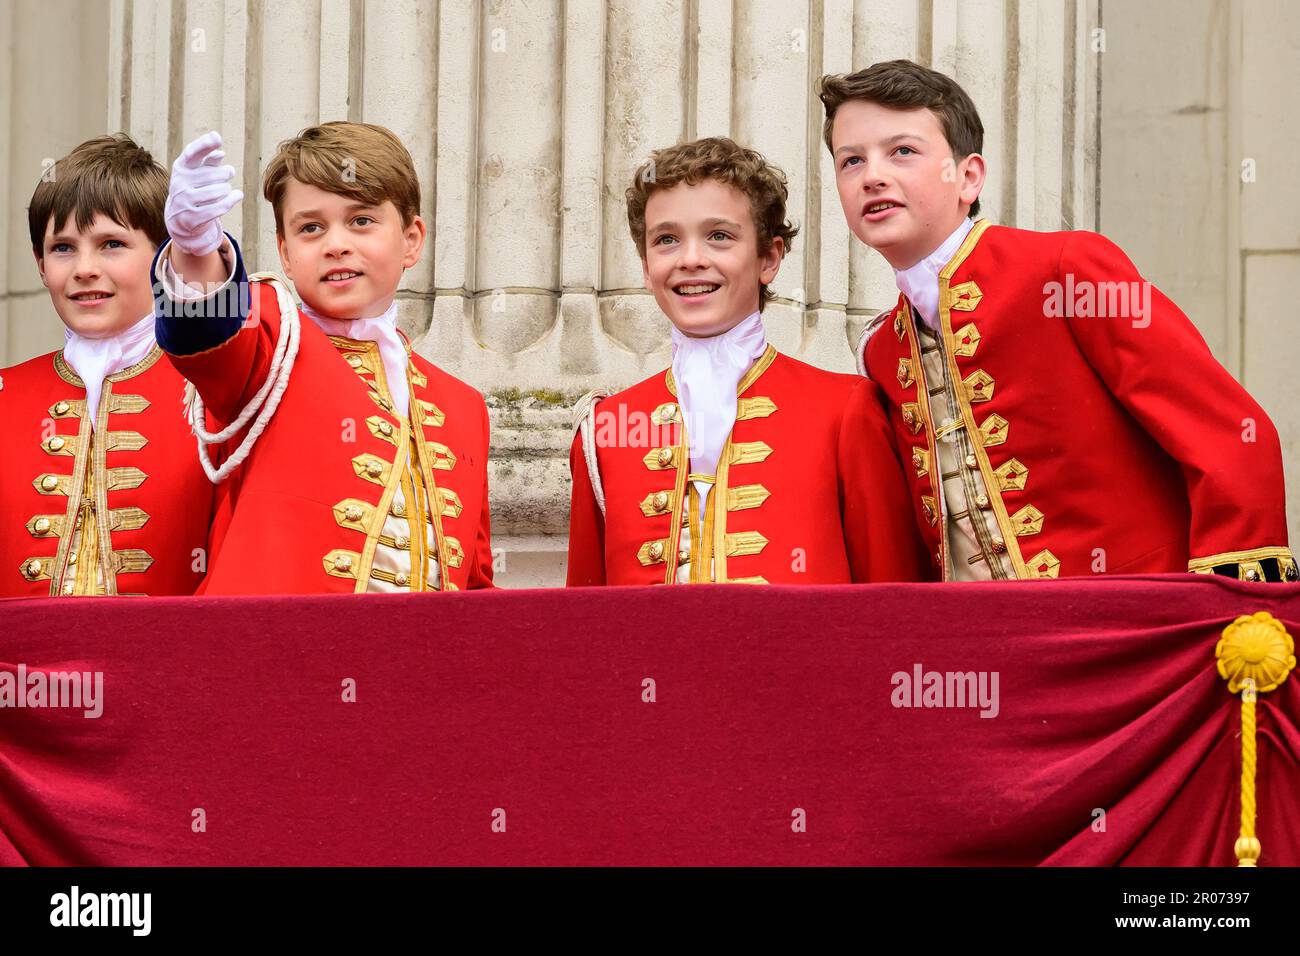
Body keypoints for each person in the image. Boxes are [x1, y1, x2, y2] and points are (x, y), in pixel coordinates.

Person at [819, 59, 1294, 582]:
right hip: (988, 646)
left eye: (903, 151)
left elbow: (1229, 432)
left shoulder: (1066, 270)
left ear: (969, 176)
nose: (874, 176)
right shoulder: (883, 351)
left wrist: (1231, 603)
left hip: (1130, 629)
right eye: (851, 162)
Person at [566, 137, 929, 586]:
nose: (691, 259)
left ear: (769, 258)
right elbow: (581, 621)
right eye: (666, 240)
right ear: (645, 266)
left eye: (719, 236)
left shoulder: (846, 408)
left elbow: (890, 600)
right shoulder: (605, 428)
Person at [152, 124, 493, 593]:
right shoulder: (269, 339)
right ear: (285, 254)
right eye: (311, 228)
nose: (336, 244)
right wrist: (195, 253)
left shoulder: (463, 405)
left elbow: (474, 584)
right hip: (277, 658)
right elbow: (206, 333)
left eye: (361, 221)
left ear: (412, 239)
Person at [0, 134, 216, 597]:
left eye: (111, 244)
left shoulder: (215, 391)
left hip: (173, 665)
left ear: (164, 258)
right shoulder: (7, 394)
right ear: (40, 265)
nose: (84, 268)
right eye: (62, 248)